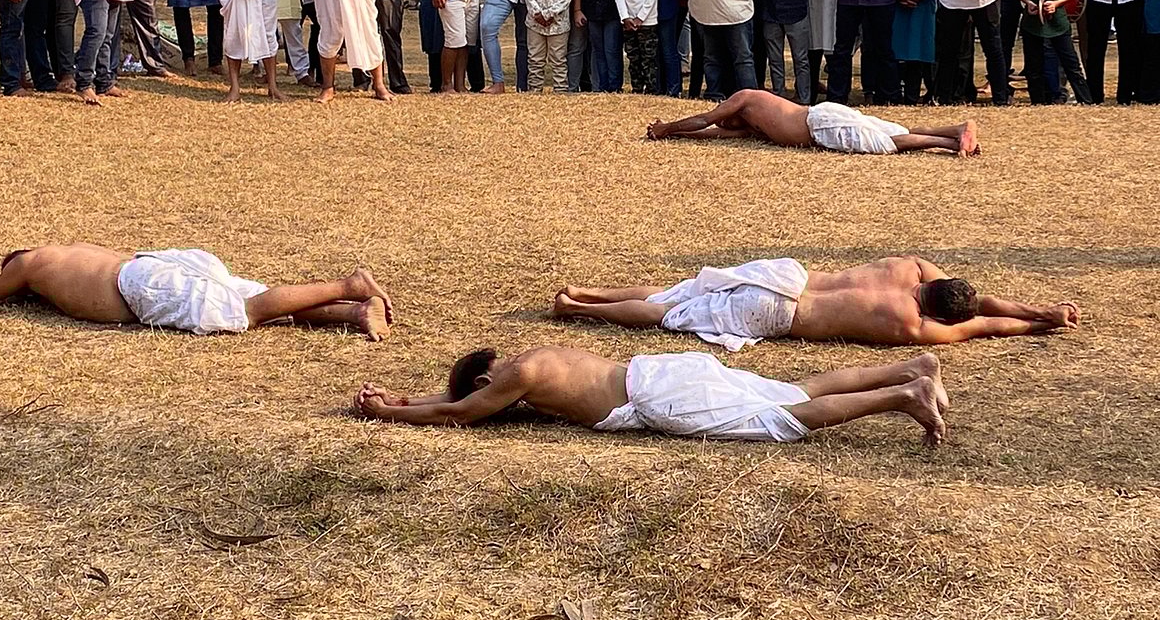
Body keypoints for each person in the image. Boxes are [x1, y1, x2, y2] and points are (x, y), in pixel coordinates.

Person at [353, 345, 951, 449]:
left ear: (488, 379)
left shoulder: (520, 377)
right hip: (663, 372)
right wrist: (403, 398)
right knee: (795, 390)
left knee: (783, 419)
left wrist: (388, 414)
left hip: (659, 395)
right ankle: (913, 369)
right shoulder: (532, 365)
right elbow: (456, 400)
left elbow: (458, 412)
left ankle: (902, 397)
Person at [554, 254, 1079, 348]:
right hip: (783, 313)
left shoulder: (911, 268)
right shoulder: (911, 325)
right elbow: (983, 322)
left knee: (683, 292)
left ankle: (584, 293)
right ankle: (578, 309)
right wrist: (1040, 321)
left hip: (789, 274)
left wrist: (1041, 310)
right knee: (673, 314)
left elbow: (977, 298)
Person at [0, 245, 393, 339]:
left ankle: (350, 285)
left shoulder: (27, 263)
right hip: (152, 266)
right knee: (260, 299)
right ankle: (354, 313)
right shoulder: (71, 252)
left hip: (137, 286)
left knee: (247, 312)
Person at [645, 88, 980, 156]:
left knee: (885, 144)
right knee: (892, 131)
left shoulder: (743, 99)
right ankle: (956, 130)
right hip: (823, 120)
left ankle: (949, 144)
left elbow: (705, 118)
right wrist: (677, 137)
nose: (725, 125)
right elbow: (712, 133)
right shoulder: (746, 122)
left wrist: (667, 128)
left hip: (820, 124)